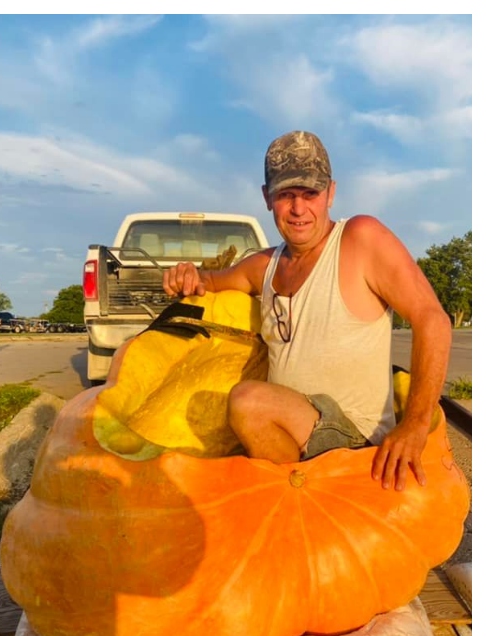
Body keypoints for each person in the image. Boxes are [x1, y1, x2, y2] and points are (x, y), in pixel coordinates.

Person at [162, 130, 452, 492]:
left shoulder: (360, 239)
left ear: (331, 193)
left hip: (356, 439)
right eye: (286, 195)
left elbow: (432, 319)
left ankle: (303, 500)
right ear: (267, 198)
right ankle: (296, 501)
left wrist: (415, 425)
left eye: (310, 193)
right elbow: (209, 281)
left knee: (248, 402)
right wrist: (186, 274)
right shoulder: (265, 265)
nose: (299, 209)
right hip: (294, 432)